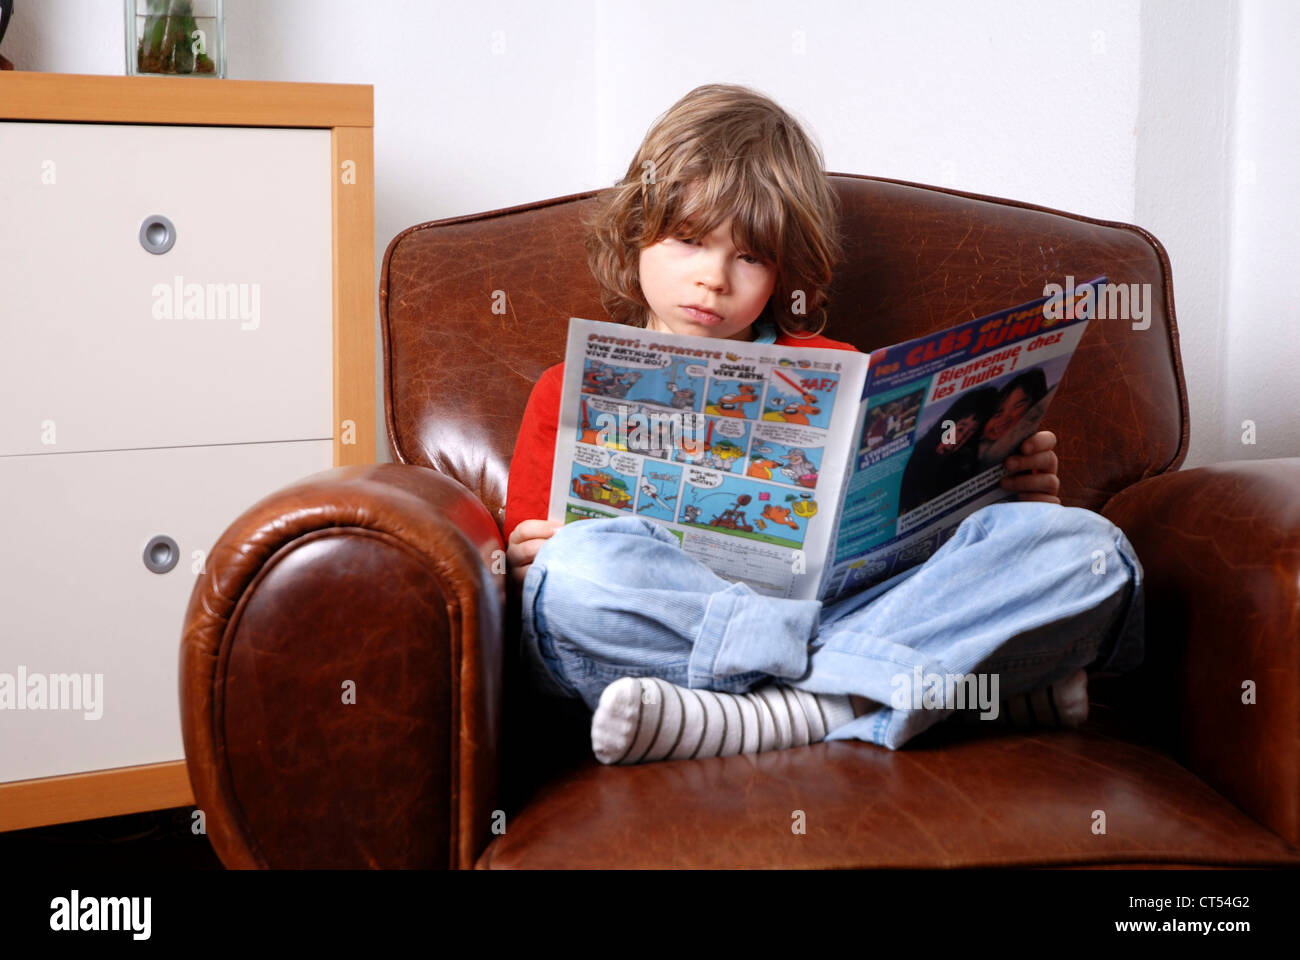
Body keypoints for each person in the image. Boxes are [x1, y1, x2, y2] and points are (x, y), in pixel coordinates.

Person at [504, 84, 1144, 764]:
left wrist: (1018, 489)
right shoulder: (564, 393)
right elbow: (538, 567)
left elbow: (926, 538)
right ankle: (882, 692)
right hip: (685, 625)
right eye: (688, 240)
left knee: (1087, 552)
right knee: (579, 578)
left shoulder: (843, 371)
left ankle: (773, 714)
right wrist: (526, 560)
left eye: (749, 256)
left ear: (783, 270)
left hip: (851, 607)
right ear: (636, 232)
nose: (713, 278)